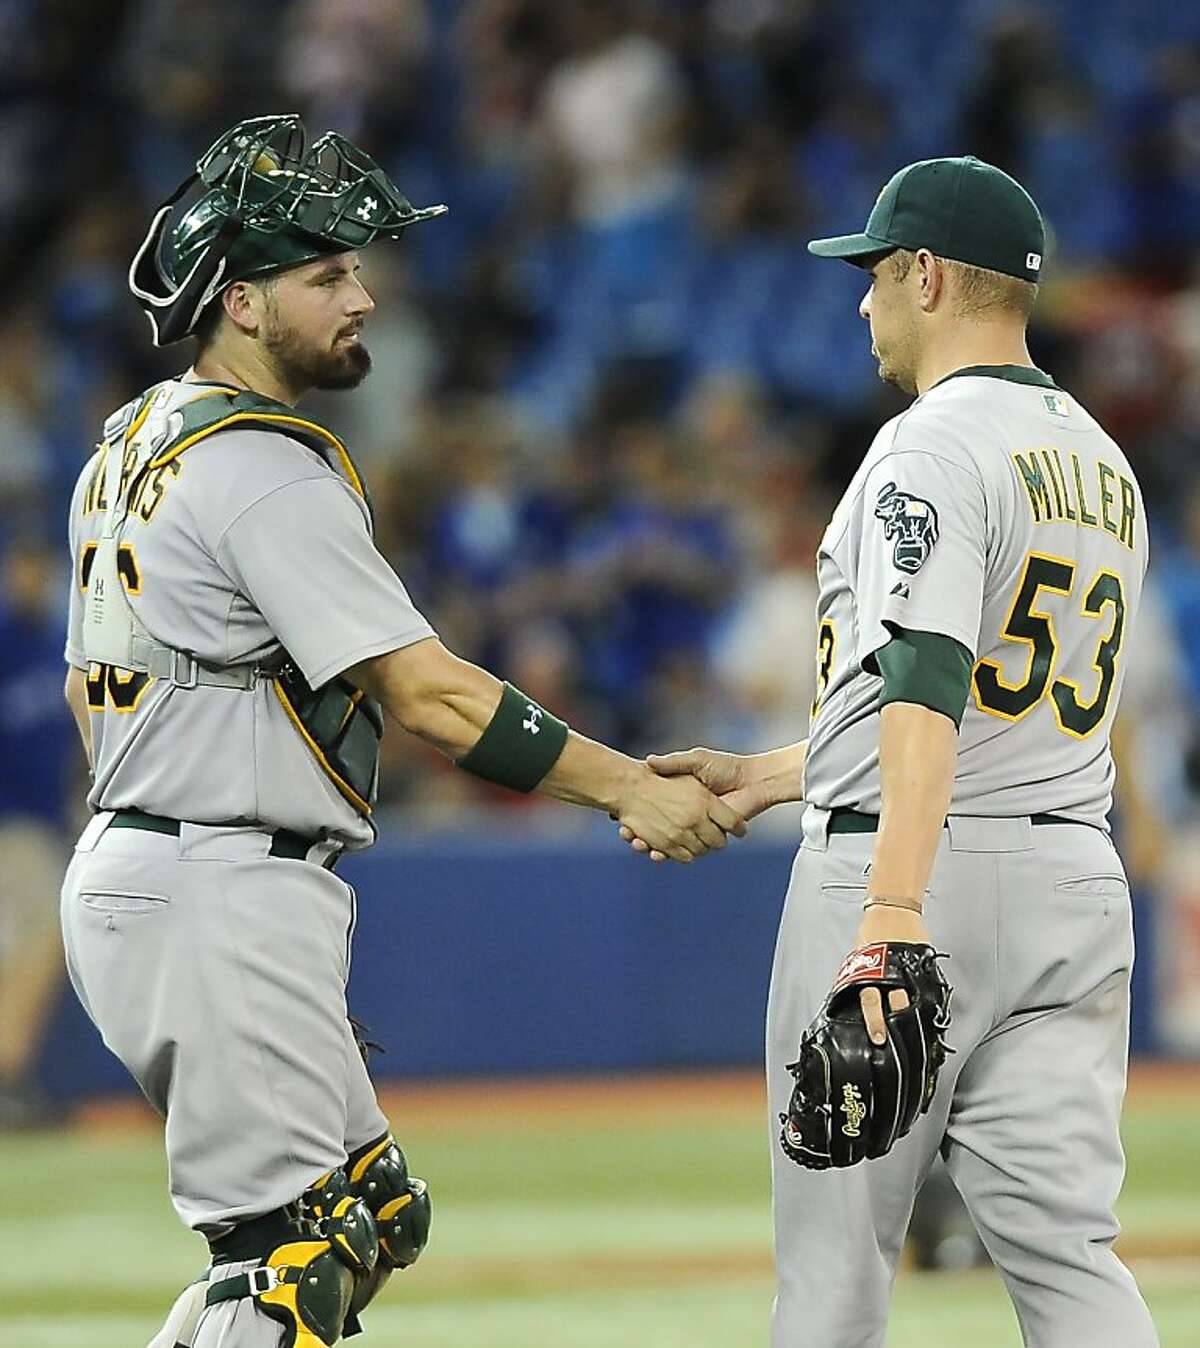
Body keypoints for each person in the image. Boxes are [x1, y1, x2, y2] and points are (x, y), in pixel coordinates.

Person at [60, 114, 745, 1348]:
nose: (364, 295)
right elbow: (432, 694)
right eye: (325, 274)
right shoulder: (260, 465)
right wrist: (630, 786)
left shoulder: (128, 444)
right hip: (217, 876)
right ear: (241, 301)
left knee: (372, 1213)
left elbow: (84, 692)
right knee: (290, 1261)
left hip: (185, 863)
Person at [624, 156, 1159, 1346]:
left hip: (915, 872)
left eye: (873, 275)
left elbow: (927, 689)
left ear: (926, 274)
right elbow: (976, 713)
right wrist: (767, 776)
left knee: (834, 1275)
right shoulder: (1106, 467)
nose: (861, 302)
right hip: (1071, 877)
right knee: (1071, 1257)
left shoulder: (929, 447)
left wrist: (891, 911)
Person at [0, 536, 75, 1128]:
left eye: (38, 565)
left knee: (34, 943)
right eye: (20, 564)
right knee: (45, 933)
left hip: (43, 822)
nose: (30, 577)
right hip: (10, 823)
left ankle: (12, 1078)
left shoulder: (56, 644)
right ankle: (10, 1074)